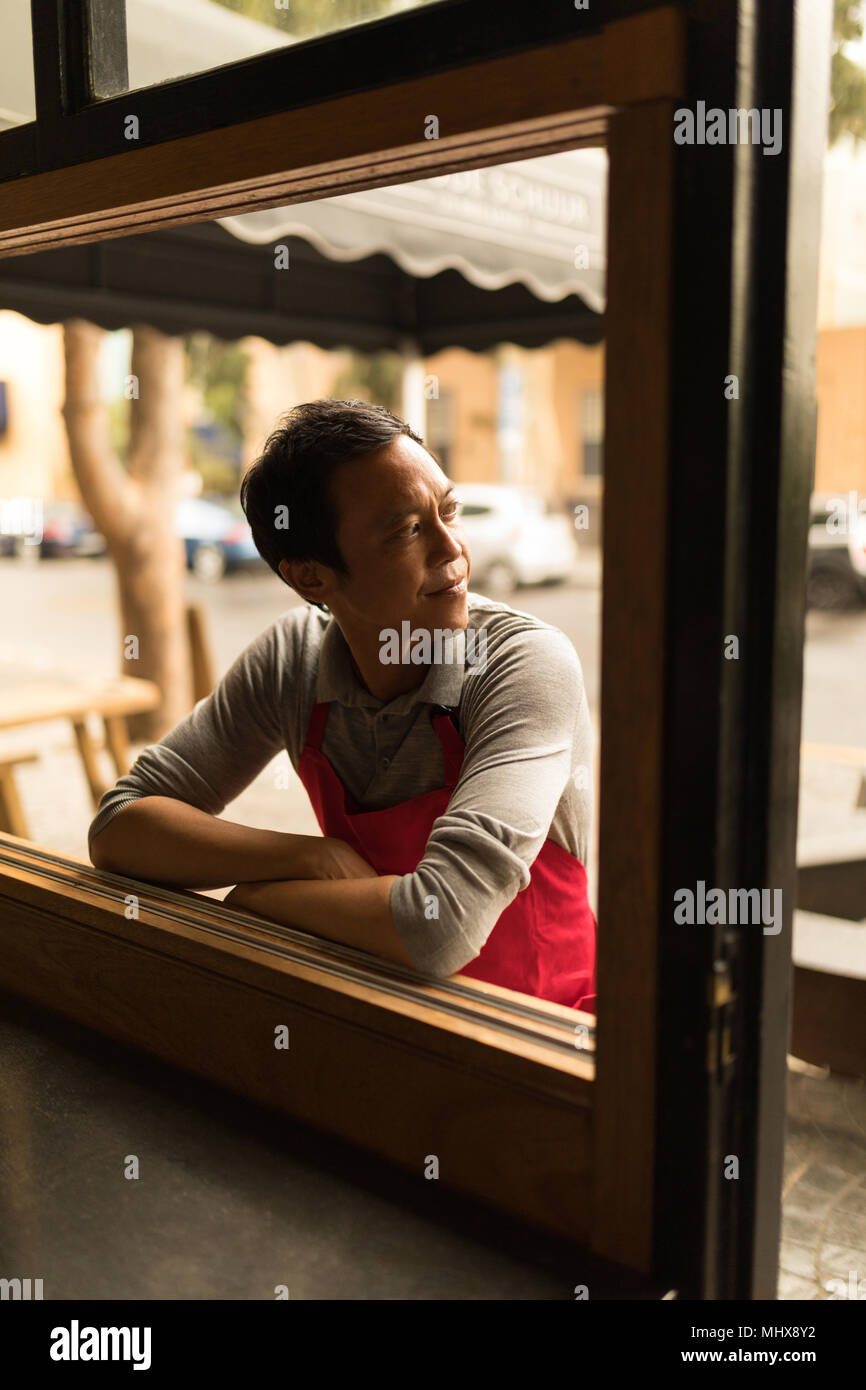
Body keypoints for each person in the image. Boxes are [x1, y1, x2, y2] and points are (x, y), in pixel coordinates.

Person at [88, 399, 597, 1012]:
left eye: (449, 512)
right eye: (407, 530)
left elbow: (442, 925)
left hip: (537, 1045)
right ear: (312, 579)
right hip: (374, 1019)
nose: (453, 549)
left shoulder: (522, 664)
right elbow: (120, 827)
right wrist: (309, 856)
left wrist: (257, 899)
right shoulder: (291, 662)